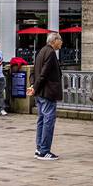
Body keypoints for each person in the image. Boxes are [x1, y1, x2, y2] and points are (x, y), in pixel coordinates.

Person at [28, 31, 63, 160]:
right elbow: (43, 74)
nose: (62, 43)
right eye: (60, 40)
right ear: (54, 41)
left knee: (41, 120)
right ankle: (44, 150)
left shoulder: (41, 51)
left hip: (40, 92)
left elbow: (33, 71)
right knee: (48, 120)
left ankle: (39, 148)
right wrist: (35, 87)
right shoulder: (51, 53)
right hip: (47, 92)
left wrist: (33, 86)